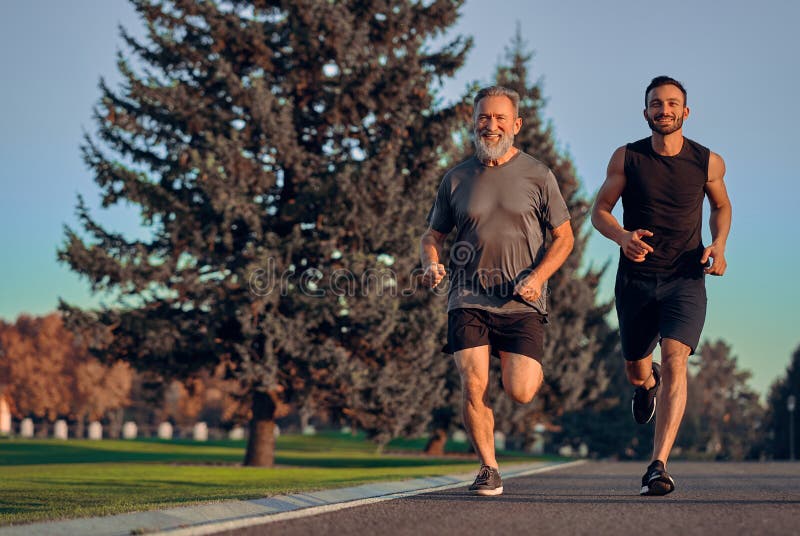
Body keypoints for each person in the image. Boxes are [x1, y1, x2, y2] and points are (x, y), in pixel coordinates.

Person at [419, 86, 573, 496]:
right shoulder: (456, 178)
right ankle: (488, 467)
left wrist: (538, 277)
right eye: (484, 118)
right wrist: (432, 262)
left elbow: (564, 238)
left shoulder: (538, 175)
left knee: (520, 391)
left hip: (522, 300)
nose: (491, 125)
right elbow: (432, 235)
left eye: (500, 118)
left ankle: (517, 358)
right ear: (474, 124)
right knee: (473, 383)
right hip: (468, 297)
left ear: (516, 125)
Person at [591, 76, 732, 495]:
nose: (664, 109)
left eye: (672, 103)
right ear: (646, 112)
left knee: (675, 359)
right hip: (635, 280)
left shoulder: (707, 162)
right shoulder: (627, 157)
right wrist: (622, 237)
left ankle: (658, 465)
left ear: (686, 112)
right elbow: (600, 209)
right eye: (656, 103)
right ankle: (645, 384)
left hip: (684, 278)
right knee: (637, 369)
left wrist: (719, 244)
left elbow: (721, 204)